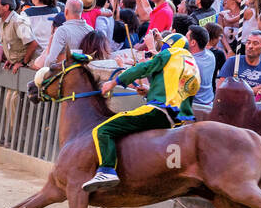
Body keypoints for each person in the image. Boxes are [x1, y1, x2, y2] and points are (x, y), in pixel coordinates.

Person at [84, 30, 201, 192]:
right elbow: (175, 88)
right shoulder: (191, 64)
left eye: (164, 46)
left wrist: (113, 82)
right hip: (177, 120)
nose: (162, 49)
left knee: (103, 130)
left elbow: (144, 67)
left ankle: (107, 170)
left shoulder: (171, 53)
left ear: (169, 45)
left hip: (159, 111)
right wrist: (148, 91)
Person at [186, 25, 216, 109]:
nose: (183, 40)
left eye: (186, 37)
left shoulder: (190, 62)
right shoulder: (210, 55)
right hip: (208, 103)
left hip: (195, 106)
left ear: (193, 43)